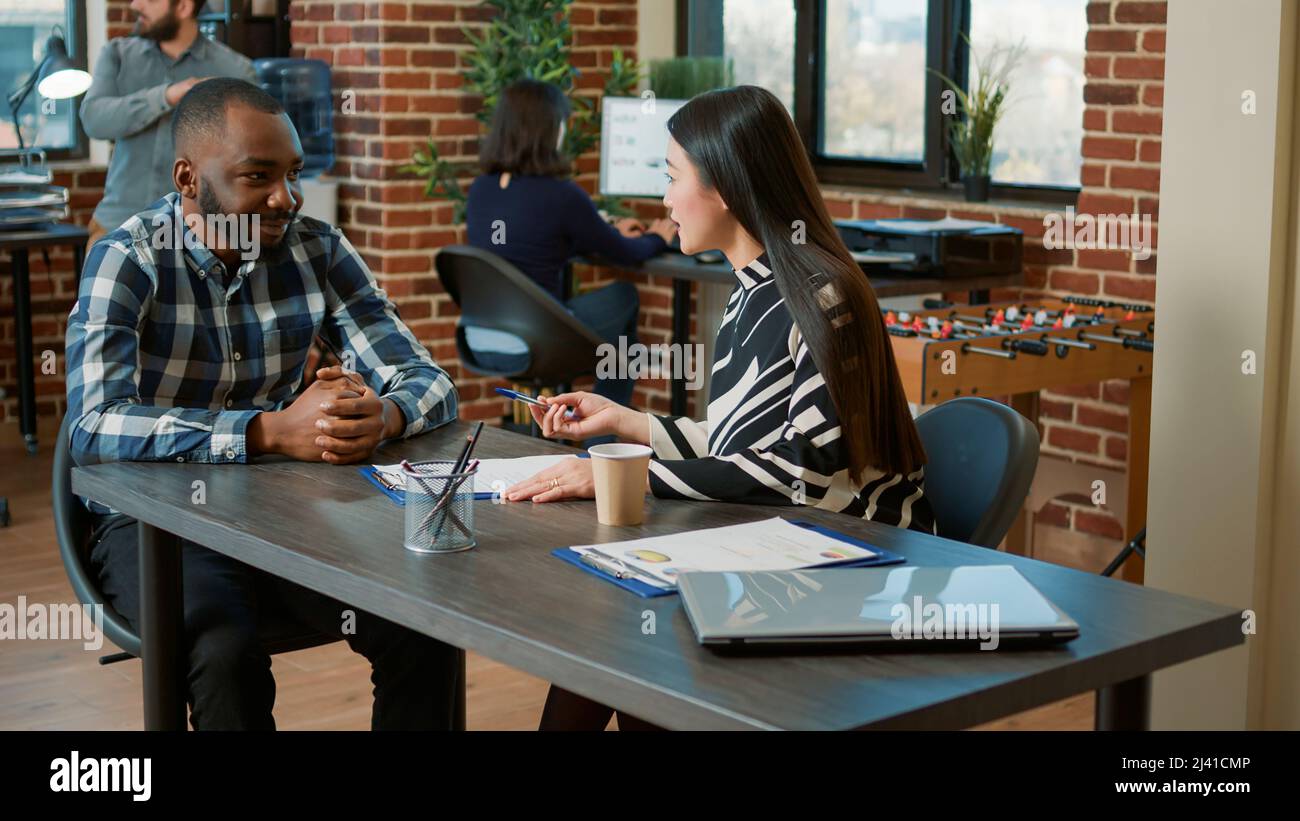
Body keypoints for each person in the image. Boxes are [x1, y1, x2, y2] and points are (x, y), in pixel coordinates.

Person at [503, 85, 935, 730]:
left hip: (857, 558)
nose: (665, 199)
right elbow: (740, 444)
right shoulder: (753, 291)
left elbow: (803, 471)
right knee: (616, 641)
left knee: (627, 639)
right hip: (784, 540)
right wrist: (627, 423)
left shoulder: (820, 296)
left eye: (673, 177)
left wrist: (624, 472)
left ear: (726, 187)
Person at [65, 78, 461, 730]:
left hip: (282, 514)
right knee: (225, 653)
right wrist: (268, 432)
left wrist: (383, 415)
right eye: (259, 176)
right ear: (189, 178)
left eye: (293, 174)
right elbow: (93, 424)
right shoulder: (128, 259)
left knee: (423, 621)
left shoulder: (316, 248)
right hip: (157, 523)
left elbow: (425, 377)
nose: (287, 197)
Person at [464, 78, 677, 409]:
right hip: (533, 341)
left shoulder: (480, 189)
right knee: (624, 297)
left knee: (605, 337)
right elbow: (626, 254)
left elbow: (525, 242)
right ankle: (601, 437)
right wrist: (657, 237)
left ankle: (587, 431)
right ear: (552, 130)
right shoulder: (562, 196)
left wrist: (605, 229)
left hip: (479, 339)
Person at [81, 0, 256, 248]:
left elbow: (251, 156)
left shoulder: (236, 72)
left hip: (201, 237)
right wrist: (167, 96)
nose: (136, 5)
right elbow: (94, 120)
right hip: (118, 228)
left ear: (183, 7)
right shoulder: (117, 55)